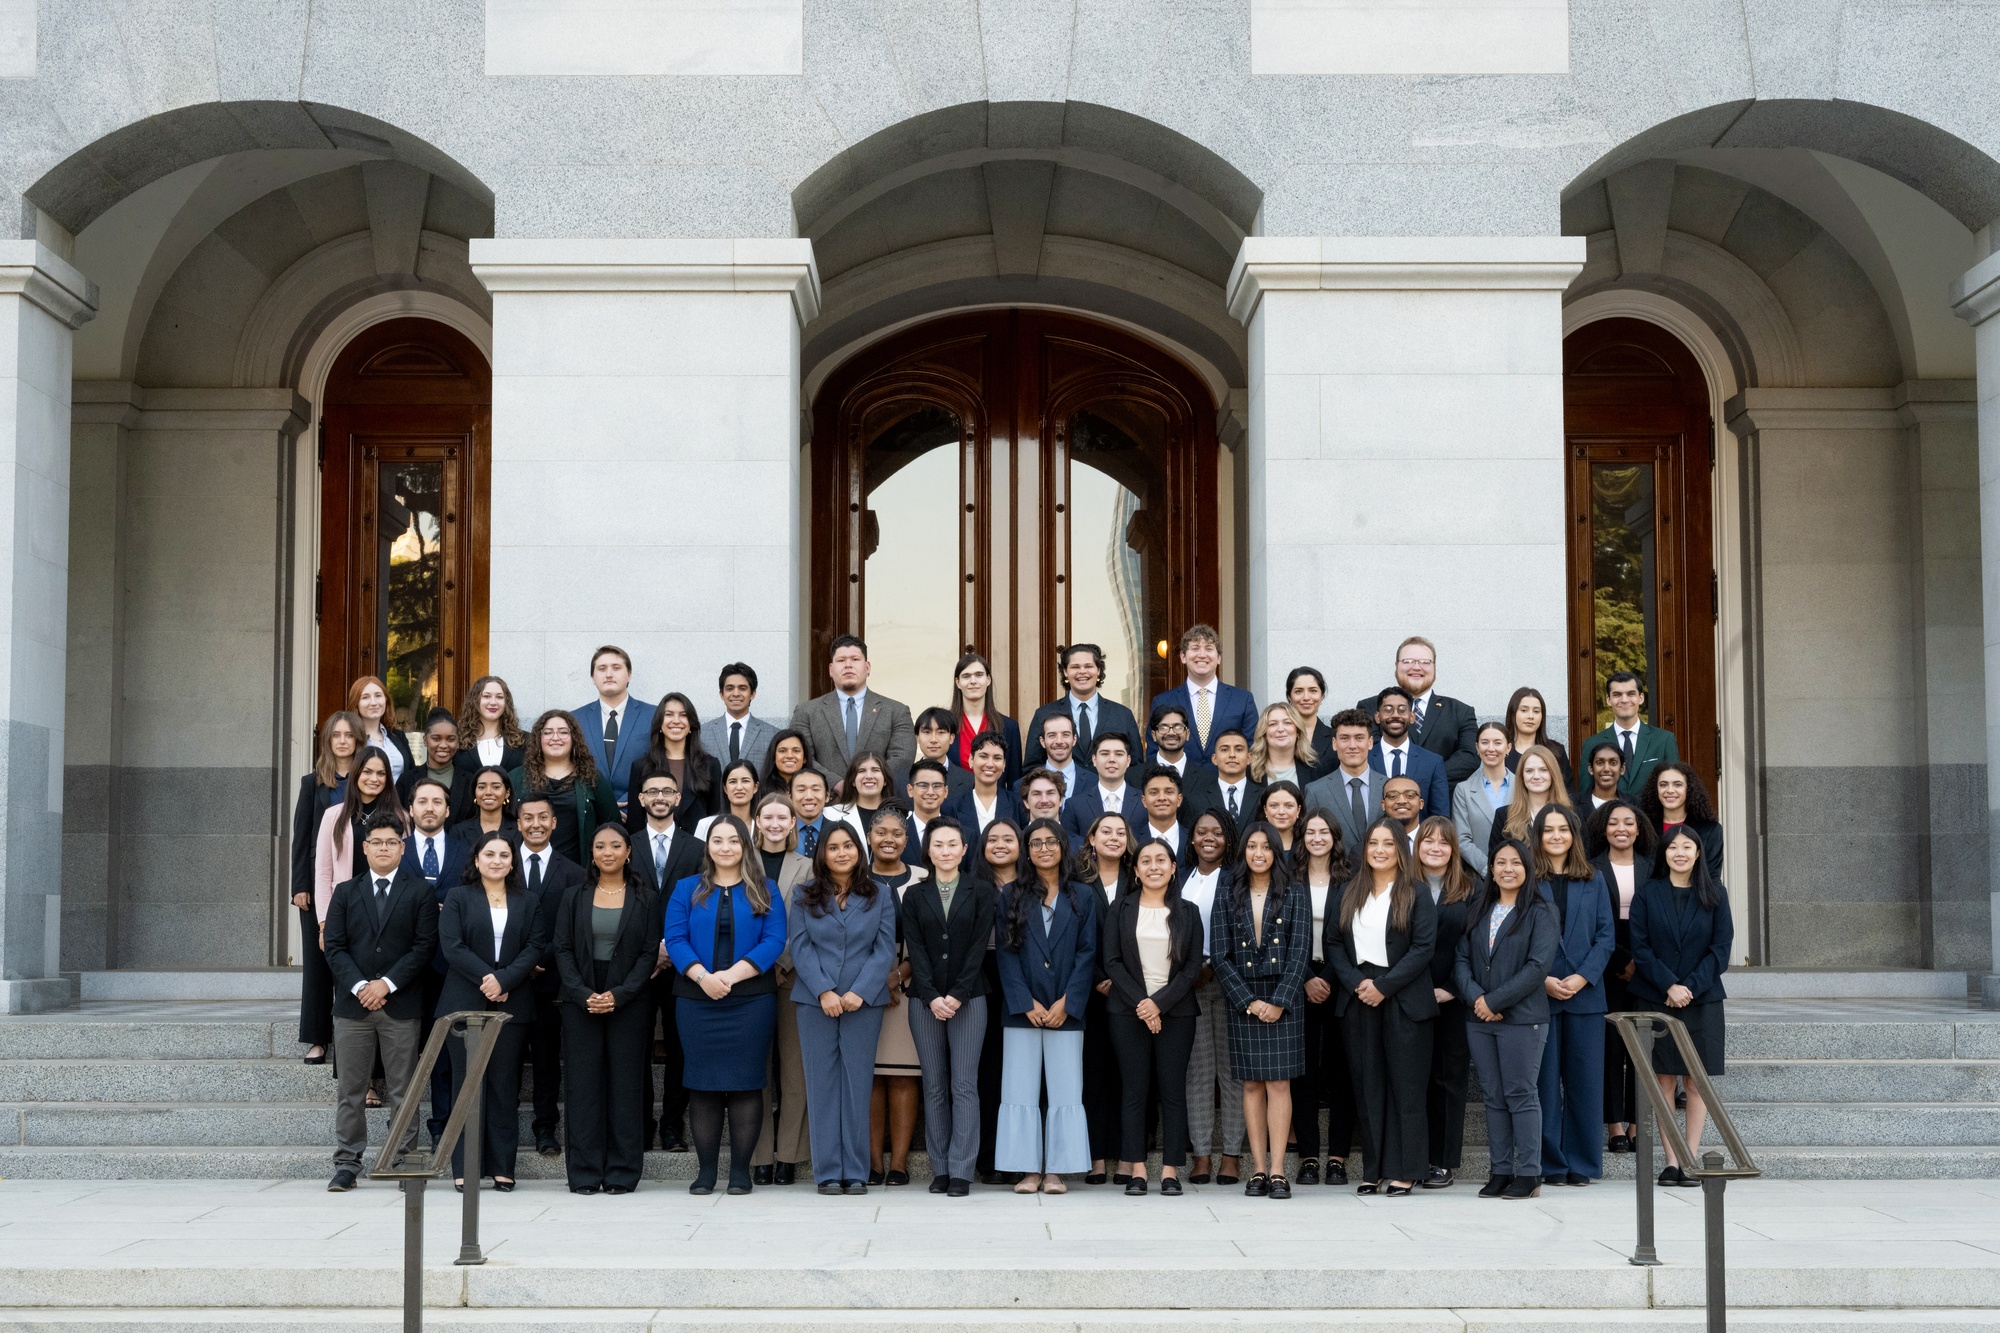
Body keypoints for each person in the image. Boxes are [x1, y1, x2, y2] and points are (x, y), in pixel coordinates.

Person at [663, 815, 789, 1195]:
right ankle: (705, 1172)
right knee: (702, 1085)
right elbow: (675, 937)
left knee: (746, 1085)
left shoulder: (765, 889)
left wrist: (731, 977)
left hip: (750, 1000)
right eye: (717, 841)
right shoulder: (687, 888)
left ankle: (739, 1172)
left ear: (745, 845)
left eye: (733, 841)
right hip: (696, 1000)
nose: (725, 848)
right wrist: (704, 977)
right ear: (708, 847)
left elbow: (774, 939)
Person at [322, 811, 437, 1191]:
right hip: (353, 1007)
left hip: (400, 1005)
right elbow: (334, 948)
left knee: (404, 1088)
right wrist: (360, 987)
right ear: (365, 848)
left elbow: (423, 947)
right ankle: (347, 1163)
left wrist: (385, 984)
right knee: (351, 1091)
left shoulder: (419, 891)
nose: (384, 848)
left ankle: (404, 1159)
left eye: (391, 842)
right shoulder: (345, 892)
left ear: (402, 849)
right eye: (376, 842)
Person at [1325, 818, 1438, 1196]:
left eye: (1388, 844)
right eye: (1373, 843)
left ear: (1399, 850)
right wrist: (1358, 983)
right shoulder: (1347, 891)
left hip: (1403, 998)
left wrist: (1384, 986)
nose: (1380, 850)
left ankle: (1406, 1169)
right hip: (1359, 997)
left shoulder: (1417, 893)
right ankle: (1373, 1169)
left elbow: (1423, 948)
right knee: (1367, 1086)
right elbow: (1333, 945)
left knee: (1406, 1087)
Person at [789, 822, 900, 1195]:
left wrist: (860, 992)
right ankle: (827, 1172)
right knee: (821, 1085)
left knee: (857, 1085)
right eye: (833, 847)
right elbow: (800, 946)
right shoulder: (805, 894)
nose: (842, 853)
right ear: (822, 853)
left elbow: (884, 949)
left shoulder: (879, 894)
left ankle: (856, 1170)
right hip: (814, 1002)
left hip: (862, 1003)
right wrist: (823, 990)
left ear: (859, 850)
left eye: (848, 845)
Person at [553, 822, 660, 1194]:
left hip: (629, 1000)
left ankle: (622, 1172)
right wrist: (583, 993)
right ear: (593, 853)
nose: (608, 852)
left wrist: (621, 994)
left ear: (629, 852)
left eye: (616, 845)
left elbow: (650, 953)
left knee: (626, 1086)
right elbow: (562, 949)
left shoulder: (645, 897)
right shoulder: (573, 896)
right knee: (583, 1088)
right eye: (600, 846)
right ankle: (584, 1173)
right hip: (580, 999)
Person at [437, 830, 546, 1191]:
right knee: (466, 1086)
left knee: (503, 1085)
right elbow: (452, 946)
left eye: (504, 855)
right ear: (476, 860)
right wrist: (489, 977)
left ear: (513, 862)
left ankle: (502, 1165)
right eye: (490, 854)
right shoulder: (457, 897)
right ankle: (465, 1166)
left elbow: (534, 946)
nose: (496, 860)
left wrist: (505, 980)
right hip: (464, 1002)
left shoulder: (528, 900)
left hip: (512, 1002)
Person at [994, 816, 1097, 1193]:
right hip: (1023, 1010)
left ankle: (1057, 1169)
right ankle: (1028, 1170)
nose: (1043, 848)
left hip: (1066, 1009)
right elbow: (1006, 954)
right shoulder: (1012, 894)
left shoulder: (1083, 895)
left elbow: (1088, 953)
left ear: (1062, 847)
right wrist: (1025, 1002)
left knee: (1066, 1091)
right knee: (1018, 1091)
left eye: (1050, 842)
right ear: (1027, 850)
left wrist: (1069, 1002)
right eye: (1035, 843)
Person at [1454, 838, 1560, 1200]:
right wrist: (1477, 999)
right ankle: (1500, 1170)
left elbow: (1537, 968)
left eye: (1516, 862)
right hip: (1479, 1018)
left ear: (1527, 868)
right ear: (1492, 869)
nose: (1508, 869)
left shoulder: (1541, 912)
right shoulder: (1479, 909)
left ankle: (1529, 1173)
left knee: (1520, 1093)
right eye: (1501, 863)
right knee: (1493, 1096)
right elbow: (1461, 960)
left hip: (1523, 1018)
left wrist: (1495, 1000)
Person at [1629, 825, 1734, 1188]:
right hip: (1657, 997)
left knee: (1696, 1080)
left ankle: (1690, 1158)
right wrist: (1669, 985)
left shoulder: (1715, 894)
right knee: (1663, 1078)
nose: (1680, 852)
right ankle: (1671, 1160)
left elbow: (1721, 950)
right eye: (1673, 847)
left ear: (1698, 853)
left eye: (1687, 846)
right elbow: (1639, 949)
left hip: (1701, 999)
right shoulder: (1647, 894)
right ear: (1664, 854)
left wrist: (1688, 986)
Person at [1210, 821, 1308, 1198]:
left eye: (1266, 847)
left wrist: (1279, 1002)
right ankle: (1258, 1169)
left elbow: (1299, 953)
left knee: (1279, 1083)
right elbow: (1220, 955)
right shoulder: (1227, 893)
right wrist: (1248, 1001)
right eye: (1251, 846)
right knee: (1251, 1083)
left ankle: (1280, 1170)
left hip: (1283, 997)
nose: (1258, 853)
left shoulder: (1294, 892)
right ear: (1243, 852)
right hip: (1244, 997)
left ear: (1275, 852)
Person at [1102, 837, 1204, 1196]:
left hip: (1177, 1012)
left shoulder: (1188, 912)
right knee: (1134, 1091)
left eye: (1162, 860)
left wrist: (1158, 1004)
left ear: (1174, 868)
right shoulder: (1120, 908)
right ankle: (1138, 1170)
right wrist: (1143, 1005)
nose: (1154, 866)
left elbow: (1192, 968)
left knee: (1173, 1091)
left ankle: (1172, 1170)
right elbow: (1112, 961)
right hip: (1127, 1012)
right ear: (1136, 869)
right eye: (1146, 861)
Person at [904, 817, 996, 1196]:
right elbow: (917, 950)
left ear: (963, 849)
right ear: (929, 850)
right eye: (938, 844)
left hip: (970, 997)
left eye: (952, 844)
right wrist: (931, 995)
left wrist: (956, 994)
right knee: (934, 1085)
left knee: (964, 1084)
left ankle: (961, 1168)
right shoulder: (914, 894)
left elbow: (978, 949)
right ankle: (939, 1167)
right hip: (924, 1001)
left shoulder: (982, 891)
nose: (945, 851)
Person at [1531, 804, 1615, 1187]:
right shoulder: (1529, 879)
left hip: (1585, 998)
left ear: (1573, 834)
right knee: (1545, 1084)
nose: (1556, 836)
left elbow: (1606, 937)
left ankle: (1581, 1163)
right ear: (1538, 836)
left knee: (1584, 1083)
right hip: (1539, 995)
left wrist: (1582, 977)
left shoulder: (1593, 878)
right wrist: (1543, 978)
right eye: (1548, 830)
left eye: (1562, 829)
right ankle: (1550, 1164)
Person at [631, 770, 704, 1152]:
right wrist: (651, 950)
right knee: (638, 1047)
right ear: (641, 799)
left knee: (679, 1048)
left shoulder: (696, 849)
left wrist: (671, 949)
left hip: (682, 964)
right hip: (639, 965)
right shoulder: (627, 846)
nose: (659, 797)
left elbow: (701, 906)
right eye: (652, 792)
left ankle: (673, 1126)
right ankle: (642, 1125)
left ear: (678, 799)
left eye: (667, 791)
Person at [748, 790, 816, 1184]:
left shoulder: (807, 867)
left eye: (782, 818)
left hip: (795, 976)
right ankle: (759, 1155)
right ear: (757, 821)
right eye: (767, 817)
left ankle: (789, 1154)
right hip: (750, 976)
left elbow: (807, 921)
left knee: (794, 1070)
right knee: (758, 1068)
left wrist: (783, 961)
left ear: (794, 823)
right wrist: (760, 963)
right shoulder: (741, 863)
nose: (775, 824)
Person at [512, 793, 583, 1157]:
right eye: (528, 818)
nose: (536, 824)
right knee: (505, 1060)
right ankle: (501, 1131)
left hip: (552, 980)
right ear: (518, 823)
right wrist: (519, 965)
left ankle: (545, 1130)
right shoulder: (501, 865)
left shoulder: (574, 872)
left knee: (546, 1059)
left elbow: (570, 929)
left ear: (554, 823)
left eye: (543, 817)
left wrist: (540, 960)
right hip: (507, 981)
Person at [1178, 809, 1244, 1185]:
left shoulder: (1237, 878)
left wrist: (1216, 965)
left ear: (1228, 839)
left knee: (1232, 1073)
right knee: (1198, 1073)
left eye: (1217, 833)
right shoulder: (1181, 879)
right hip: (1190, 986)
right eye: (1201, 831)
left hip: (1231, 983)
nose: (1208, 838)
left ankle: (1231, 1156)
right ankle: (1201, 1154)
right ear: (1192, 838)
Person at [1290, 809, 1356, 1186]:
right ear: (1302, 838)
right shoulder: (1289, 879)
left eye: (1324, 832)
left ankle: (1338, 1158)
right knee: (1303, 1074)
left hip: (1339, 983)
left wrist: (1328, 977)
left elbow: (1352, 936)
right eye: (1310, 832)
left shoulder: (1350, 880)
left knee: (1341, 1071)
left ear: (1335, 836)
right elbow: (1280, 939)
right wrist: (1305, 979)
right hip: (1299, 983)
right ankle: (1309, 1156)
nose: (1317, 838)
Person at [293, 710, 362, 1064]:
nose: (342, 741)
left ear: (358, 740)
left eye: (349, 735)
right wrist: (299, 885)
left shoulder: (366, 781)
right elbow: (301, 837)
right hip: (319, 887)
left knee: (348, 964)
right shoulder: (312, 783)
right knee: (317, 964)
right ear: (328, 741)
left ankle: (349, 1037)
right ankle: (317, 1038)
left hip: (354, 884)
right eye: (336, 735)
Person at [1588, 797, 1656, 1155]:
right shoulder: (1592, 866)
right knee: (1612, 1045)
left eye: (1629, 822)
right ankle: (1614, 1124)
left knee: (1641, 1048)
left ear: (1639, 827)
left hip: (1646, 967)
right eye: (1614, 822)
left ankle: (1635, 1123)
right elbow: (1594, 922)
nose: (1621, 829)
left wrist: (1640, 962)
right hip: (1607, 964)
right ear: (1604, 828)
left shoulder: (1651, 866)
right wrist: (1619, 960)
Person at [866, 806, 927, 1185]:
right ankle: (873, 1162)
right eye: (881, 832)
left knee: (904, 1077)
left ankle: (900, 1164)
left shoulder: (923, 878)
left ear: (907, 840)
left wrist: (898, 976)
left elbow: (934, 936)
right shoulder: (854, 876)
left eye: (897, 833)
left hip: (912, 986)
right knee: (870, 1077)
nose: (889, 838)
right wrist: (876, 981)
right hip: (862, 988)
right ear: (869, 837)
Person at [1413, 815, 1475, 1189]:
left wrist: (1453, 987)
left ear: (1454, 849)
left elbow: (1476, 944)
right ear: (1417, 846)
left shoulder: (1472, 889)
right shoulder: (1403, 886)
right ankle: (1415, 1156)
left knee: (1449, 1079)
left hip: (1455, 997)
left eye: (1443, 842)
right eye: (1428, 841)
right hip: (1410, 995)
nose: (1435, 848)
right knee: (1413, 1079)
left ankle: (1444, 1160)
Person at [1074, 811, 1134, 1182]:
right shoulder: (1077, 882)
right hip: (1090, 993)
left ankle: (1129, 1157)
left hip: (1133, 994)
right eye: (1105, 832)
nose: (1113, 837)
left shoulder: (1141, 877)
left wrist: (1124, 981)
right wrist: (1098, 977)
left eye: (1121, 832)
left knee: (1130, 1076)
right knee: (1093, 1075)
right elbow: (1073, 938)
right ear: (1092, 840)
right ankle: (1096, 1156)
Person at [791, 634, 918, 790]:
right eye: (841, 660)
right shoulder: (807, 712)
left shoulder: (896, 711)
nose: (848, 665)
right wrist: (836, 784)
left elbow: (902, 757)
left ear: (867, 667)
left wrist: (868, 785)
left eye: (855, 659)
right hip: (826, 801)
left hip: (879, 803)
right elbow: (801, 757)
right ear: (831, 669)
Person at [1352, 637, 1479, 786]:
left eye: (1425, 662)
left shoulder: (1461, 712)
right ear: (1396, 666)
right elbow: (1368, 751)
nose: (1416, 667)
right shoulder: (1369, 707)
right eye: (1408, 661)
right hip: (1382, 799)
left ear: (1435, 668)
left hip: (1443, 801)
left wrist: (1429, 776)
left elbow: (1470, 757)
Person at [973, 818, 1021, 1183]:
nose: (1001, 844)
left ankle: (1020, 1157)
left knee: (1019, 1074)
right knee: (988, 1071)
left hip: (1024, 979)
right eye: (993, 839)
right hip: (983, 978)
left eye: (1009, 838)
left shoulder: (1035, 886)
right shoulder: (973, 886)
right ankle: (989, 1158)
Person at [510, 709, 618, 865]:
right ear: (538, 739)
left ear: (574, 738)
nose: (555, 738)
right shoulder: (517, 777)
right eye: (547, 732)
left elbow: (612, 824)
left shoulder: (591, 777)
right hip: (527, 871)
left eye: (563, 732)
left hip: (578, 872)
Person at [314, 748, 406, 927]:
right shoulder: (333, 816)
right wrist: (324, 923)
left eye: (381, 773)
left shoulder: (402, 818)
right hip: (346, 910)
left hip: (389, 911)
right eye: (367, 772)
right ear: (356, 773)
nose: (374, 779)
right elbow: (323, 872)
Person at [1024, 643, 1143, 773]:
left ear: (1098, 670)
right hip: (1062, 792)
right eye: (1075, 667)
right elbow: (1032, 767)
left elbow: (1136, 768)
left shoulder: (1123, 715)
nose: (1082, 671)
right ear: (1065, 672)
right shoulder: (1044, 714)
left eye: (1088, 666)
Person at [1150, 624, 1257, 765]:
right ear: (1183, 656)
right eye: (1195, 648)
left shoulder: (1243, 700)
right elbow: (1153, 752)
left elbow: (1253, 749)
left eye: (1209, 649)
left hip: (1226, 784)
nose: (1202, 654)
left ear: (1218, 658)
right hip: (1180, 784)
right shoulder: (1162, 701)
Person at [573, 645, 657, 809]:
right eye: (602, 669)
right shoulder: (575, 719)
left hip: (640, 810)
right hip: (591, 811)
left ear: (629, 675)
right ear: (592, 677)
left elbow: (659, 762)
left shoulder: (653, 715)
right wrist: (603, 804)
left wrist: (631, 800)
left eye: (616, 668)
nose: (609, 674)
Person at [626, 692, 721, 834]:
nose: (676, 721)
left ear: (691, 724)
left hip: (698, 849)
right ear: (659, 722)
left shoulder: (710, 765)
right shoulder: (641, 767)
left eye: (683, 715)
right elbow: (635, 822)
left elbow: (716, 817)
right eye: (669, 714)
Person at [1581, 670, 1680, 798]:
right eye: (1617, 694)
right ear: (1608, 700)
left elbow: (1675, 786)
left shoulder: (1664, 740)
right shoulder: (1591, 744)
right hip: (1608, 816)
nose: (1624, 700)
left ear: (1641, 698)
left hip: (1651, 817)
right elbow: (1585, 796)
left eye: (1630, 694)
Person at [1305, 710, 1382, 864]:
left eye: (1359, 738)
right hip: (1335, 878)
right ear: (1334, 743)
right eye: (1345, 738)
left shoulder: (1387, 787)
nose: (1352, 745)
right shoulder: (1315, 791)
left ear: (1370, 742)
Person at [1367, 686, 1448, 819]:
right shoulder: (1365, 759)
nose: (1395, 715)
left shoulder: (1432, 762)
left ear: (1412, 717)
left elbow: (1440, 818)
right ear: (1377, 716)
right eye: (1388, 710)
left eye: (1402, 710)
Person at [947, 652, 1022, 785]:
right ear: (958, 683)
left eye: (979, 675)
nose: (973, 681)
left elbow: (1014, 781)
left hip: (997, 802)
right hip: (954, 803)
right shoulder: (946, 725)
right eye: (966, 676)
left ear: (988, 680)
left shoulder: (1009, 726)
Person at [1642, 761, 1724, 882]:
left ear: (1689, 789)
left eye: (1678, 785)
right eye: (1663, 785)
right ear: (1655, 789)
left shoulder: (1710, 830)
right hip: (1652, 899)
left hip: (1695, 899)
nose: (1670, 790)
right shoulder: (1643, 827)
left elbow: (1712, 878)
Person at [1487, 744, 1572, 860]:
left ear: (1553, 774)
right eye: (1529, 771)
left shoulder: (1572, 814)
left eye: (1543, 770)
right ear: (1521, 776)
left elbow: (1580, 859)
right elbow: (1496, 861)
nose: (1536, 776)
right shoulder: (1503, 816)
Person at [1060, 732, 1145, 847]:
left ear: (1128, 760)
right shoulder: (1075, 805)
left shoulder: (1144, 802)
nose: (1112, 759)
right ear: (1094, 759)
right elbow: (1068, 847)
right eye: (1105, 754)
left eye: (1119, 754)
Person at [1452, 722, 1511, 875]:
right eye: (1485, 742)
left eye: (1498, 743)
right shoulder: (1463, 790)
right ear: (1477, 748)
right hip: (1478, 876)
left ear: (1508, 748)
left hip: (1520, 873)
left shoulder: (1523, 786)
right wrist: (1490, 870)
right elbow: (1461, 839)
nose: (1491, 748)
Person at [941, 732, 1028, 833]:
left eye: (997, 758)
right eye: (983, 756)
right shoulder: (951, 807)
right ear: (971, 760)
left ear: (1004, 764)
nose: (990, 764)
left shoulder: (1018, 804)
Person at [702, 662, 779, 771]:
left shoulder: (773, 734)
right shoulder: (702, 734)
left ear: (752, 694)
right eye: (729, 688)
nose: (736, 693)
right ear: (721, 694)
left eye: (742, 688)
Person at [399, 708, 474, 819]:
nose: (443, 745)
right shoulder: (406, 781)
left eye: (450, 739)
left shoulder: (470, 782)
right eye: (436, 739)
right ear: (425, 740)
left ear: (458, 742)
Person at [1184, 729, 1263, 826]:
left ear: (1248, 758)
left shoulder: (1263, 797)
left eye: (1239, 749)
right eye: (1224, 750)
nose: (1232, 755)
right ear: (1214, 759)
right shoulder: (1196, 799)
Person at [1503, 686, 1573, 790]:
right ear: (1513, 713)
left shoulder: (1556, 751)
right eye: (1524, 710)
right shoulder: (1501, 751)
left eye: (1536, 711)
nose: (1530, 716)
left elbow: (1568, 793)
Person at [455, 676, 527, 775]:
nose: (493, 702)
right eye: (486, 696)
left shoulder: (524, 740)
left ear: (506, 703)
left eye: (499, 697)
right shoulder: (457, 740)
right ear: (474, 700)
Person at [349, 675, 414, 781]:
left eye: (378, 696)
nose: (374, 703)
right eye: (365, 697)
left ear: (386, 700)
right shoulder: (350, 738)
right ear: (356, 704)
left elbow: (412, 774)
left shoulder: (398, 736)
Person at [826, 751, 895, 842]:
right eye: (861, 771)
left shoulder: (904, 816)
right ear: (853, 781)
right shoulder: (830, 815)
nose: (869, 776)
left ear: (885, 780)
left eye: (875, 770)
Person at [1248, 702, 1315, 789]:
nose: (1280, 729)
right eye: (1273, 724)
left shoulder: (1315, 769)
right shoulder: (1248, 773)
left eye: (1287, 723)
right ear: (1264, 733)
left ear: (1298, 731)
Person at [914, 707, 975, 799]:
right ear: (917, 738)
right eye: (927, 732)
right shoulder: (902, 779)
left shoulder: (969, 781)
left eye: (941, 732)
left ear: (951, 738)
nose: (933, 740)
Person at [1285, 667, 1334, 779]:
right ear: (1289, 697)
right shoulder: (1278, 735)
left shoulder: (1334, 737)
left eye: (1313, 691)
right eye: (1298, 691)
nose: (1306, 697)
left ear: (1322, 696)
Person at [695, 759, 760, 840]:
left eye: (745, 781)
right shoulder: (705, 825)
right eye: (733, 782)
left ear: (755, 787)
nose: (739, 787)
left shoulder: (764, 826)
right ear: (725, 788)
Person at [449, 765, 515, 843]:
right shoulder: (459, 831)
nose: (488, 792)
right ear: (474, 792)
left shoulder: (520, 830)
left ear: (507, 793)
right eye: (481, 787)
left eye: (496, 787)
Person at [1033, 712, 1084, 803]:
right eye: (1052, 735)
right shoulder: (1022, 785)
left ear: (1074, 739)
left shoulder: (1095, 782)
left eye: (1065, 734)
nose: (1059, 741)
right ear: (1042, 741)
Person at [1137, 766, 1188, 858]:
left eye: (1169, 792)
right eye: (1154, 793)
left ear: (1179, 799)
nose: (1161, 798)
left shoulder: (1192, 839)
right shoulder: (1133, 839)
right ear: (1144, 801)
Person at [903, 758, 951, 854]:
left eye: (937, 786)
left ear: (945, 791)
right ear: (910, 790)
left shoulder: (963, 834)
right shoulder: (898, 833)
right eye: (923, 785)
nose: (930, 792)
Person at [1251, 780, 1305, 855]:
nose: (1281, 812)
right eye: (1274, 806)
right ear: (1265, 810)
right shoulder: (1251, 844)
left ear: (1298, 810)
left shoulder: (1308, 843)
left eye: (1289, 806)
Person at [789, 768, 832, 860]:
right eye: (801, 790)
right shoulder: (781, 831)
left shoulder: (838, 831)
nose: (809, 797)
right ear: (789, 796)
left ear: (827, 796)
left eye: (816, 789)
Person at [1148, 703, 1195, 778]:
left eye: (1178, 727)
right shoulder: (1134, 776)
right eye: (1163, 728)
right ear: (1154, 735)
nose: (1171, 733)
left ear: (1187, 734)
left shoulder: (1206, 778)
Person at [760, 728, 811, 796]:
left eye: (796, 751)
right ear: (773, 757)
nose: (789, 756)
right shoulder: (758, 790)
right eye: (782, 751)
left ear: (805, 758)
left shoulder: (815, 790)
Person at [1380, 776, 1424, 854]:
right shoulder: (1364, 849)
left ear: (1421, 803)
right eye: (1393, 796)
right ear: (1383, 805)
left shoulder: (1437, 846)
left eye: (1410, 796)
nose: (1401, 801)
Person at [1580, 738, 1625, 812]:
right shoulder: (1573, 805)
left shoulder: (1634, 804)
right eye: (1600, 763)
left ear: (1622, 769)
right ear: (1590, 768)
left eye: (1613, 763)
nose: (1606, 769)